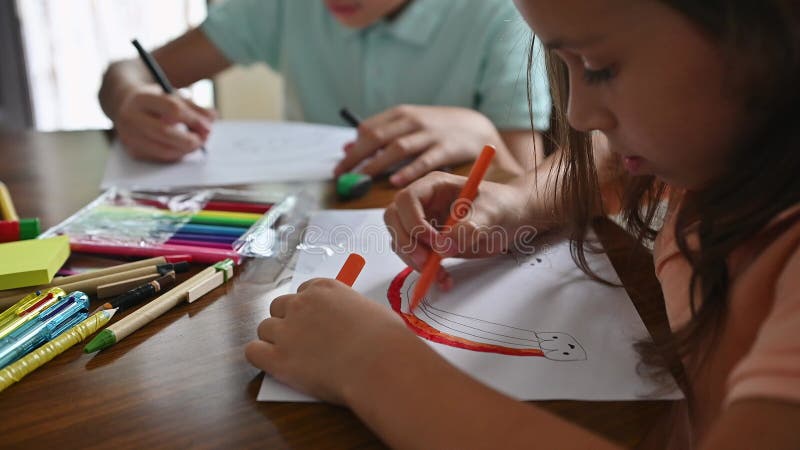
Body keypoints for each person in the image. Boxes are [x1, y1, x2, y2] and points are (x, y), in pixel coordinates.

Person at [245, 0, 800, 448]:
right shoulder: (713, 154)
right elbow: (615, 162)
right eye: (566, 67)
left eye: (601, 68)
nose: (579, 117)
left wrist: (371, 366)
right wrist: (514, 204)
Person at [98, 0, 552, 186]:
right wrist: (127, 101)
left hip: (448, 242)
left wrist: (478, 132)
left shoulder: (504, 16)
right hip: (312, 233)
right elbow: (129, 70)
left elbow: (529, 187)